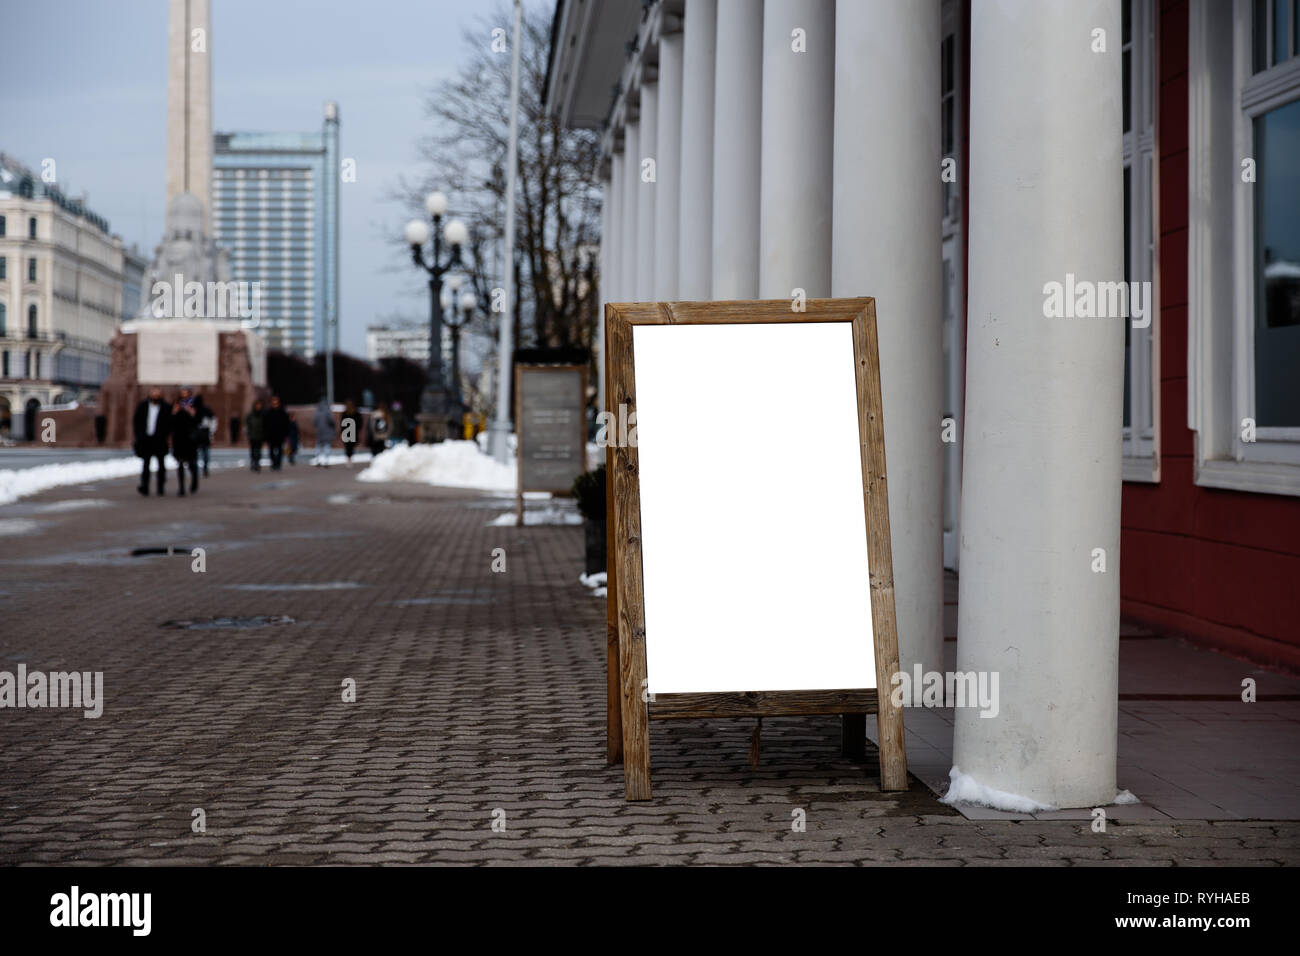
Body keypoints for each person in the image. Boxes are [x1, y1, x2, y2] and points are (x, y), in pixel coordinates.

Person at [133, 386, 172, 496]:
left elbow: (169, 423)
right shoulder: (143, 406)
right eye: (153, 392)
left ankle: (160, 487)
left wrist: (166, 435)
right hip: (146, 439)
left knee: (161, 464)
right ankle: (144, 486)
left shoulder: (166, 407)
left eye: (157, 393)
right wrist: (139, 436)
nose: (155, 395)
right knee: (146, 464)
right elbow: (137, 422)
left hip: (160, 439)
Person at [171, 391, 200, 495]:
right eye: (182, 392)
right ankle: (181, 488)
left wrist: (192, 414)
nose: (184, 394)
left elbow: (198, 422)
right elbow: (171, 423)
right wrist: (174, 413)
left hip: (190, 440)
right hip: (179, 440)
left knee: (191, 463)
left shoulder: (194, 404)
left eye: (186, 392)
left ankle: (194, 480)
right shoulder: (176, 405)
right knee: (180, 464)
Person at [263, 395, 291, 471]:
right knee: (271, 450)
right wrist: (266, 434)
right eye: (273, 401)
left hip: (280, 435)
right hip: (271, 435)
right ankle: (273, 463)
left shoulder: (282, 412)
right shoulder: (268, 412)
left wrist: (286, 434)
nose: (275, 403)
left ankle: (278, 464)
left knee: (279, 450)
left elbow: (286, 424)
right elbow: (265, 424)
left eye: (276, 401)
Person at [193, 394, 216, 477]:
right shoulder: (205, 409)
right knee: (204, 452)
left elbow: (212, 421)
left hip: (201, 433)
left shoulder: (200, 410)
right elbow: (213, 421)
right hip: (202, 433)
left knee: (201, 452)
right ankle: (203, 469)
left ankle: (200, 469)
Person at [312, 398, 336, 467]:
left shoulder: (317, 412)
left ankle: (317, 460)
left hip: (319, 431)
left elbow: (314, 422)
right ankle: (326, 461)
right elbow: (331, 421)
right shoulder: (328, 411)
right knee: (327, 446)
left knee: (318, 446)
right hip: (327, 431)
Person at [245, 399, 266, 472]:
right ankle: (253, 462)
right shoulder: (250, 415)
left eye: (259, 405)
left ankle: (257, 463)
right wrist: (248, 434)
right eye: (257, 405)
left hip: (260, 435)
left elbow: (265, 426)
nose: (258, 407)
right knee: (253, 450)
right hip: (252, 436)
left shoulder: (263, 415)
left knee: (259, 450)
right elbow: (247, 425)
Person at [340, 400, 360, 465]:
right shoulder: (355, 413)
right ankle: (349, 458)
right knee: (350, 446)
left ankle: (349, 459)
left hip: (348, 432)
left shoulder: (346, 413)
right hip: (352, 431)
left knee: (348, 446)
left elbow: (342, 423)